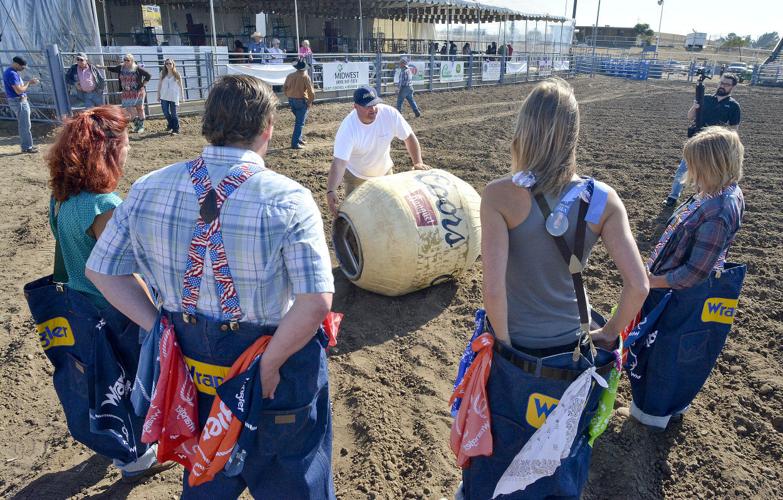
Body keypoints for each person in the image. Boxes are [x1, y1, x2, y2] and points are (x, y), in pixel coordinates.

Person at [86, 75, 335, 498]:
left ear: (208, 124)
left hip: (191, 365)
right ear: (267, 128)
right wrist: (271, 364)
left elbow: (102, 271)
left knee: (206, 475)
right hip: (274, 365)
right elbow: (315, 302)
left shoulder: (148, 188)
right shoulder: (289, 198)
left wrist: (159, 327)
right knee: (294, 480)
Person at [464, 78, 648, 498]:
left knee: (505, 443)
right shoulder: (603, 199)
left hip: (518, 349)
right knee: (562, 446)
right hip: (573, 349)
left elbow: (493, 292)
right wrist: (609, 333)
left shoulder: (499, 195)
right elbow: (637, 284)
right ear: (572, 133)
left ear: (525, 129)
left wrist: (507, 346)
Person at [42, 105, 173, 481]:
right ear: (108, 150)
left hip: (81, 306)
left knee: (105, 380)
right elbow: (124, 267)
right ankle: (136, 459)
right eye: (126, 144)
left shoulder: (62, 198)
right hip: (115, 311)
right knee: (131, 380)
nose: (130, 151)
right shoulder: (104, 205)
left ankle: (125, 448)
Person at [631, 127, 745, 431]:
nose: (690, 172)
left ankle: (648, 417)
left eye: (695, 164)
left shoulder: (719, 210)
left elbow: (695, 272)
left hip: (679, 295)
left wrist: (651, 282)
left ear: (712, 164)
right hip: (670, 287)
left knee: (664, 351)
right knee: (662, 349)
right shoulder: (716, 193)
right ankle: (660, 408)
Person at [326, 86, 430, 216]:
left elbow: (409, 137)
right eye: (368, 106)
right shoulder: (348, 128)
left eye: (375, 104)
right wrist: (331, 190)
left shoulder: (390, 114)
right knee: (356, 217)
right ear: (355, 107)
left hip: (384, 173)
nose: (373, 109)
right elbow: (339, 163)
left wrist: (418, 162)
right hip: (356, 176)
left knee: (390, 212)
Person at [663, 73, 741, 207]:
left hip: (713, 147)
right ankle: (673, 197)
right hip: (696, 142)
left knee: (707, 175)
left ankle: (703, 199)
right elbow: (690, 116)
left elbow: (733, 130)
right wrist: (695, 107)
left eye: (726, 84)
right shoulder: (705, 98)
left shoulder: (734, 106)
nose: (722, 86)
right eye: (721, 83)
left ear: (733, 87)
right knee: (682, 171)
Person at [100, 54, 151, 134]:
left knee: (139, 108)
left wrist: (143, 84)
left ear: (132, 61)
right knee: (129, 109)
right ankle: (137, 124)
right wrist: (101, 67)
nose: (126, 62)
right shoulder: (121, 67)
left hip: (138, 91)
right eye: (125, 60)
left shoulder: (137, 68)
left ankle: (140, 127)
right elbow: (111, 68)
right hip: (126, 93)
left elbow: (148, 75)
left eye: (128, 60)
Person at [2, 56, 39, 153]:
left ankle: (27, 146)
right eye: (22, 66)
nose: (23, 69)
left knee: (25, 125)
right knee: (25, 125)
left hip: (18, 101)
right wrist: (29, 83)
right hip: (19, 101)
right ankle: (27, 147)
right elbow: (19, 91)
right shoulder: (12, 74)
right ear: (16, 64)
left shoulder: (10, 72)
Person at [284, 59, 315, 149]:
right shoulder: (305, 77)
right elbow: (311, 92)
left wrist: (289, 96)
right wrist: (309, 102)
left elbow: (285, 87)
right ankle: (295, 143)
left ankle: (299, 139)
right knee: (299, 123)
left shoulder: (290, 75)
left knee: (299, 121)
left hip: (291, 100)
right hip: (301, 101)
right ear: (304, 68)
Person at [157, 58, 186, 135]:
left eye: (170, 63)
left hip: (173, 97)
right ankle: (170, 124)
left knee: (174, 114)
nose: (168, 65)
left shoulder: (177, 74)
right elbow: (159, 85)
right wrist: (158, 95)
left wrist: (182, 97)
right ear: (165, 65)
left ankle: (176, 129)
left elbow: (181, 86)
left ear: (173, 64)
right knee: (166, 112)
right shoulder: (162, 73)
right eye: (167, 63)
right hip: (164, 96)